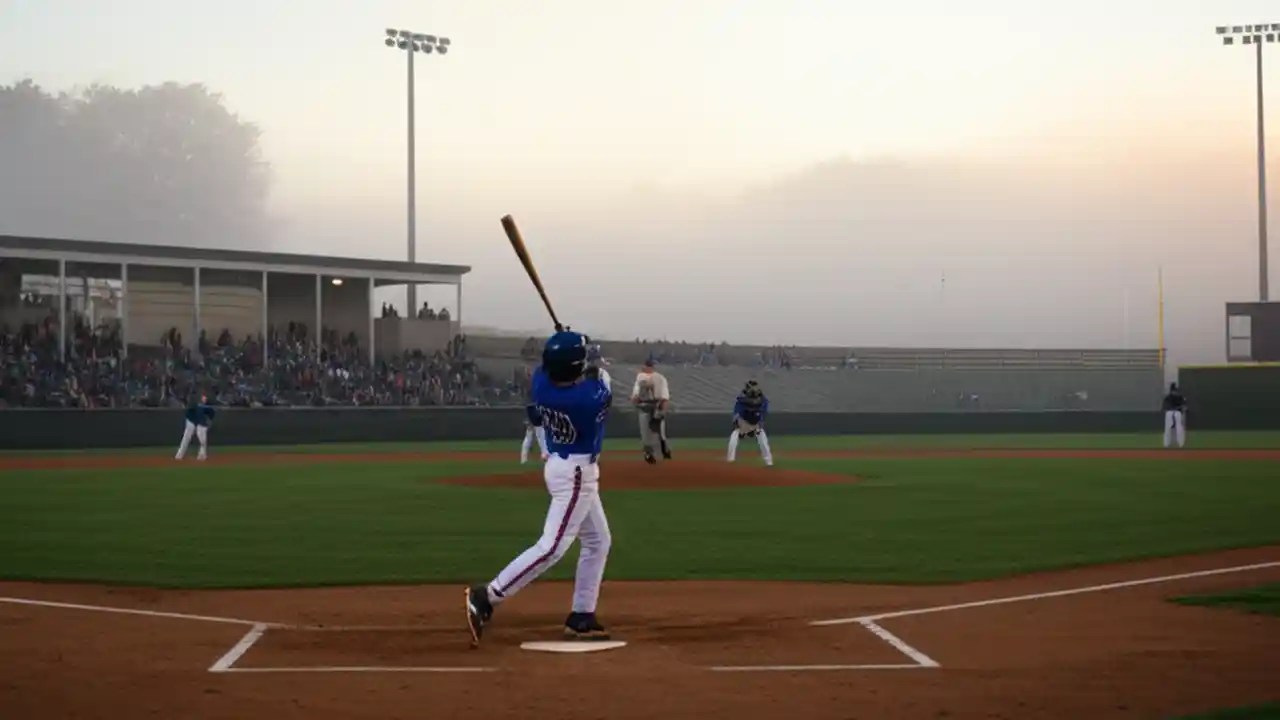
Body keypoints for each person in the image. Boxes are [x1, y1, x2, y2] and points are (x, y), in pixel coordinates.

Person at [466, 330, 614, 646]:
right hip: (576, 473)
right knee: (551, 547)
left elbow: (564, 367)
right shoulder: (588, 399)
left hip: (562, 466)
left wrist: (568, 344)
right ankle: (488, 596)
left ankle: (581, 616)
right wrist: (581, 352)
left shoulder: (541, 384)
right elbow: (602, 378)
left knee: (598, 540)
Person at [630, 359, 672, 464]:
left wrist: (663, 410)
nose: (648, 367)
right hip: (645, 406)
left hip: (656, 406)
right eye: (647, 365)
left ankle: (664, 451)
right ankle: (649, 454)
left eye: (650, 365)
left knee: (659, 432)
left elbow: (664, 397)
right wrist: (635, 401)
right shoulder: (640, 377)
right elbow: (635, 396)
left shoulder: (659, 378)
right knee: (645, 434)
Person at [727, 380, 773, 466]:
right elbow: (737, 412)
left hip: (756, 423)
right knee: (734, 435)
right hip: (743, 422)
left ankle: (769, 461)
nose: (753, 389)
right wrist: (736, 421)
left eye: (755, 386)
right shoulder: (742, 399)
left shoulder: (762, 399)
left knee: (763, 440)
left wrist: (761, 421)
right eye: (751, 387)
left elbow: (763, 412)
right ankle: (730, 459)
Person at [175, 392, 215, 461]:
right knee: (186, 437)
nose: (204, 399)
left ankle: (202, 455)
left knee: (202, 440)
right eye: (203, 398)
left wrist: (209, 421)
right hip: (191, 421)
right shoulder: (193, 405)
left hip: (200, 422)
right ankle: (179, 455)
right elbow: (188, 412)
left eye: (205, 398)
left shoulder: (207, 407)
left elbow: (211, 413)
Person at [1162, 381, 1187, 448]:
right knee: (1174, 428)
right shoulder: (1178, 397)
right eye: (1174, 390)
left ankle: (1171, 444)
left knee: (1174, 428)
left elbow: (1184, 406)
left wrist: (1182, 407)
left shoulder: (1170, 397)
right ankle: (1177, 444)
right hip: (1173, 412)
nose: (1175, 392)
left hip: (1174, 412)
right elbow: (1184, 406)